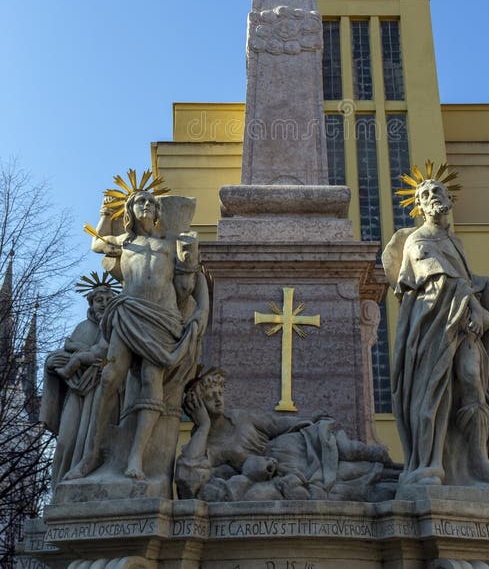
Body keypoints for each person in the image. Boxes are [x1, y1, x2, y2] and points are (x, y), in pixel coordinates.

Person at [65, 191, 208, 481]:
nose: (145, 205)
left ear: (157, 211)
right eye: (139, 202)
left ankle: (136, 458)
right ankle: (92, 455)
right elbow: (96, 244)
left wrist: (201, 311)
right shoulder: (126, 241)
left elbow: (194, 280)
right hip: (128, 311)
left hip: (162, 317)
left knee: (151, 382)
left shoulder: (171, 242)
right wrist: (105, 215)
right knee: (109, 377)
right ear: (130, 210)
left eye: (150, 203)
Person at [383, 174, 489, 486]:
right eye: (426, 193)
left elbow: (464, 279)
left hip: (462, 323)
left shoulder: (455, 242)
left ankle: (477, 459)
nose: (433, 195)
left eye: (438, 190)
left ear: (449, 199)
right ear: (419, 206)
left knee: (471, 379)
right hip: (432, 325)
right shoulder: (417, 240)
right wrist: (476, 305)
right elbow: (439, 279)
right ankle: (429, 464)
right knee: (433, 392)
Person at [175, 368, 398, 502]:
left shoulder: (240, 417)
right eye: (210, 396)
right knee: (352, 475)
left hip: (291, 446)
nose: (218, 399)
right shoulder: (206, 444)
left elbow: (275, 424)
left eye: (220, 393)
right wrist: (203, 425)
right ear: (197, 406)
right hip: (280, 469)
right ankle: (392, 478)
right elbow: (189, 477)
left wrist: (309, 419)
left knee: (341, 453)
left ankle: (388, 465)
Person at [40, 278, 115, 487]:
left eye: (109, 299)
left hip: (105, 391)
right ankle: (59, 492)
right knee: (66, 442)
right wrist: (50, 363)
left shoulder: (118, 326)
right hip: (77, 393)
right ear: (91, 304)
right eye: (99, 299)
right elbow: (62, 355)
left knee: (97, 443)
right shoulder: (82, 328)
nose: (104, 303)